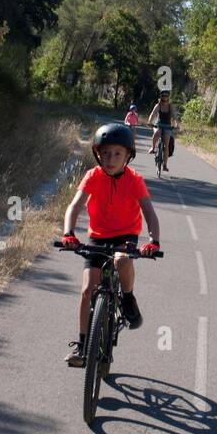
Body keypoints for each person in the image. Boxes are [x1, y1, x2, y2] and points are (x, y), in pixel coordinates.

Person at [59, 123, 161, 367]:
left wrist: (153, 241)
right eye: (105, 153)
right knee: (87, 290)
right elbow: (74, 206)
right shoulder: (92, 176)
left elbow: (149, 212)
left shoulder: (134, 180)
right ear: (97, 154)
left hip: (126, 235)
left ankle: (127, 298)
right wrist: (69, 234)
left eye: (117, 154)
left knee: (121, 260)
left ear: (128, 156)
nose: (110, 159)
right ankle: (83, 346)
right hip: (98, 236)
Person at [146, 91, 177, 168]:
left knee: (166, 146)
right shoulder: (158, 105)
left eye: (166, 96)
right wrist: (149, 121)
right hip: (158, 124)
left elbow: (174, 116)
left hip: (167, 126)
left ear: (168, 97)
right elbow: (153, 113)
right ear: (161, 97)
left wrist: (177, 124)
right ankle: (153, 148)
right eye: (163, 96)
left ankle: (165, 165)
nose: (164, 97)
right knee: (156, 134)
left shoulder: (170, 106)